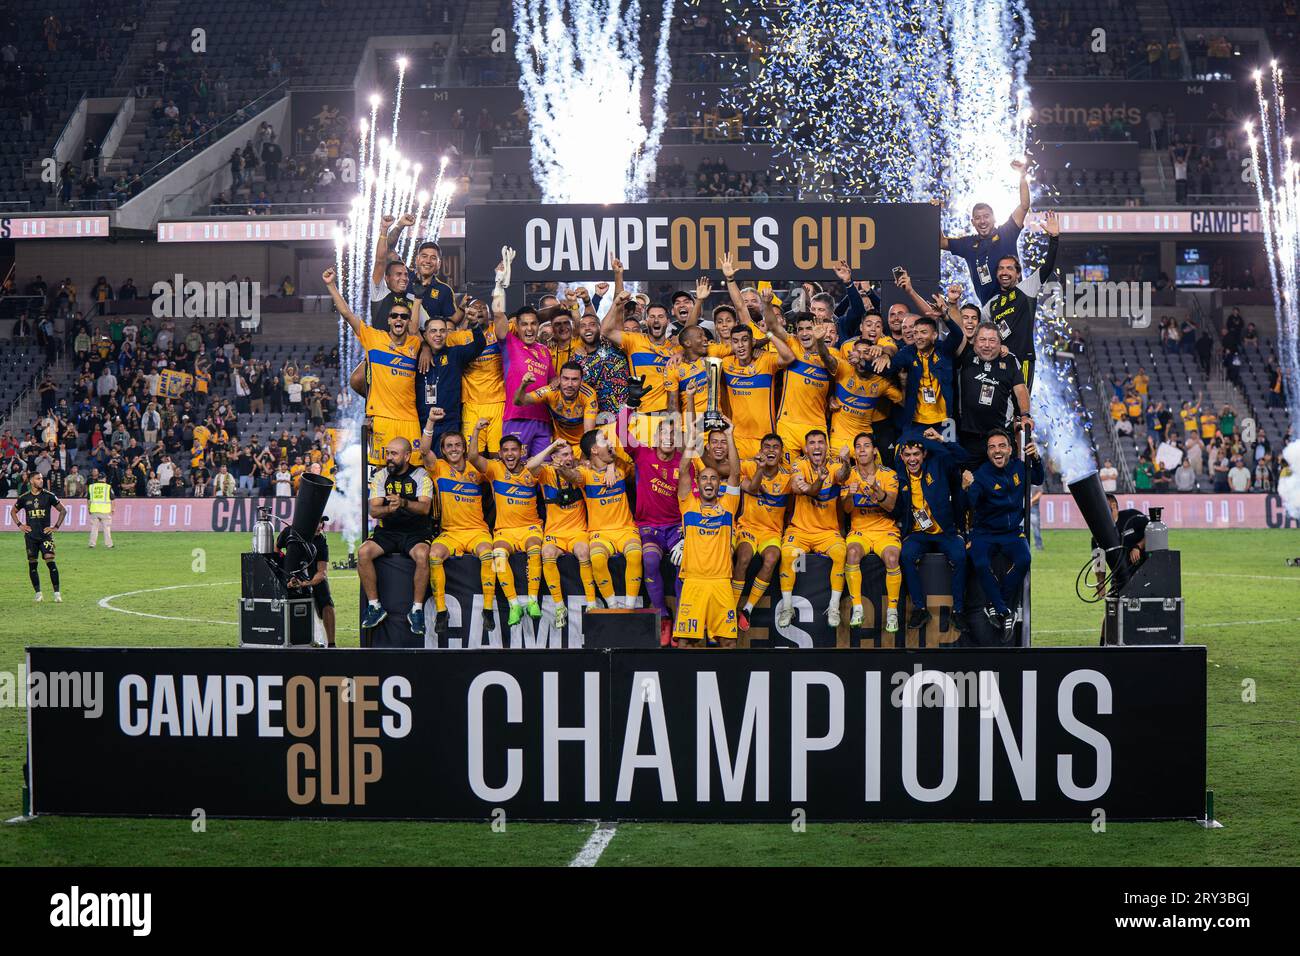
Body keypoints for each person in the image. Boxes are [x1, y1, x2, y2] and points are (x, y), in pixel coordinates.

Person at [323, 267, 423, 466]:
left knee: (415, 470)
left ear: (408, 321)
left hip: (410, 419)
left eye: (404, 317)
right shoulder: (374, 339)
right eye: (395, 316)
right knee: (382, 472)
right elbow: (347, 314)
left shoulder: (416, 344)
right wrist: (331, 285)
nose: (399, 320)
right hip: (382, 419)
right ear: (388, 319)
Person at [962, 430, 1044, 636]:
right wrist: (966, 488)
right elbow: (969, 504)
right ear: (988, 452)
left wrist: (1036, 458)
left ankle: (995, 603)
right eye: (992, 447)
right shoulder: (981, 475)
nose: (997, 451)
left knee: (1025, 559)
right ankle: (1004, 611)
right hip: (985, 532)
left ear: (1009, 449)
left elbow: (1038, 478)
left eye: (1001, 446)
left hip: (1011, 532)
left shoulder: (1019, 466)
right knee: (979, 562)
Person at [673, 421, 742, 648]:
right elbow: (683, 471)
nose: (709, 482)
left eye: (713, 478)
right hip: (693, 582)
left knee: (728, 642)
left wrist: (729, 435)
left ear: (717, 485)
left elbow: (735, 472)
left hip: (721, 582)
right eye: (704, 478)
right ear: (698, 483)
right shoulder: (689, 506)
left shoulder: (728, 506)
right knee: (685, 642)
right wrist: (692, 441)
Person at [467, 425, 544, 626]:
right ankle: (513, 604)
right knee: (498, 557)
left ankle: (533, 601)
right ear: (500, 454)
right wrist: (476, 431)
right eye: (506, 450)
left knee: (535, 550)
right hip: (504, 531)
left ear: (522, 452)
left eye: (514, 449)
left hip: (530, 528)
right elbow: (473, 457)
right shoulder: (495, 469)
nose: (510, 454)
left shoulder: (532, 468)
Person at [895, 429, 969, 635]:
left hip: (945, 531)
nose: (912, 459)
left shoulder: (938, 465)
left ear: (924, 454)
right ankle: (920, 608)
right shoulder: (899, 475)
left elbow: (963, 458)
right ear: (901, 456)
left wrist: (942, 440)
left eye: (916, 454)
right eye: (907, 455)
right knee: (906, 555)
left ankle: (959, 610)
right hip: (918, 534)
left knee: (960, 556)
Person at [777, 430, 851, 628]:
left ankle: (834, 606)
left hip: (827, 532)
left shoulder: (834, 465)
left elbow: (843, 476)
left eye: (820, 443)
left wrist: (846, 462)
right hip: (799, 531)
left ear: (826, 447)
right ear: (806, 448)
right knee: (787, 555)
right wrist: (819, 480)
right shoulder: (798, 464)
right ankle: (787, 607)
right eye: (812, 443)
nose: (817, 447)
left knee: (840, 553)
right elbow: (806, 489)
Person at [562, 429, 644, 608]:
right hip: (600, 533)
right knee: (597, 559)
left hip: (625, 529)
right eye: (603, 441)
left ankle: (629, 607)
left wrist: (611, 464)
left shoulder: (621, 466)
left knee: (636, 553)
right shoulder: (585, 473)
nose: (609, 443)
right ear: (594, 450)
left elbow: (635, 459)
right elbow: (571, 476)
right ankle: (612, 605)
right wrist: (561, 469)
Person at [359, 438, 433, 634]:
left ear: (407, 456)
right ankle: (375, 606)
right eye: (388, 453)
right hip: (388, 532)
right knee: (363, 552)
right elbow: (374, 511)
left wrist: (404, 503)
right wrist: (388, 508)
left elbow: (425, 508)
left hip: (415, 532)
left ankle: (416, 610)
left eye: (394, 454)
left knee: (423, 555)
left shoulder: (421, 475)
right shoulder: (381, 475)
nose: (389, 458)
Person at [427, 432, 497, 635]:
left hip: (477, 532)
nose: (454, 449)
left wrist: (475, 432)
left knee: (489, 555)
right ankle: (441, 611)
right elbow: (424, 450)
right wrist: (430, 424)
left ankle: (488, 609)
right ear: (443, 450)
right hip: (451, 533)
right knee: (434, 556)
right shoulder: (438, 467)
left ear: (464, 448)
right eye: (449, 445)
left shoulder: (476, 468)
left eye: (458, 445)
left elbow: (480, 460)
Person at [980, 209, 1061, 385]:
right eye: (1001, 268)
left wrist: (1054, 238)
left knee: (1020, 408)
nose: (1004, 272)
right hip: (997, 360)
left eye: (1010, 268)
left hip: (1022, 360)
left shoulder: (1027, 289)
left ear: (1018, 274)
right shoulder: (991, 305)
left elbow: (1047, 268)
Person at [941, 159, 1033, 303]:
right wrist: (933, 213)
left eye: (986, 216)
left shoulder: (1006, 233)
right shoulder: (967, 244)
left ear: (994, 218)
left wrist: (1022, 175)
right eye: (977, 218)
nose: (982, 221)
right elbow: (941, 242)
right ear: (973, 222)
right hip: (989, 311)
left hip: (1015, 304)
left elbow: (1024, 205)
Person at [529, 438, 597, 628]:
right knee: (547, 553)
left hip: (577, 531)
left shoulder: (581, 471)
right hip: (554, 533)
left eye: (570, 453)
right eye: (564, 454)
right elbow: (531, 466)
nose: (569, 457)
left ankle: (591, 604)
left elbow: (575, 476)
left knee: (584, 552)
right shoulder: (546, 473)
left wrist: (564, 467)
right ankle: (559, 606)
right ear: (555, 457)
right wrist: (551, 447)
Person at [839, 431, 903, 632]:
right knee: (852, 553)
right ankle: (857, 607)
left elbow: (892, 506)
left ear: (875, 451)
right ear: (855, 453)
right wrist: (849, 496)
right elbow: (847, 510)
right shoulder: (848, 476)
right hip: (860, 531)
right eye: (858, 447)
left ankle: (892, 612)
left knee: (892, 559)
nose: (862, 449)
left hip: (885, 531)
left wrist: (878, 492)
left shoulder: (888, 474)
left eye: (866, 445)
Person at [733, 433, 791, 631]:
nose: (771, 450)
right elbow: (751, 486)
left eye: (776, 447)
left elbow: (797, 500)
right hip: (747, 527)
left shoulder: (788, 477)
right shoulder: (749, 466)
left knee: (773, 557)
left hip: (771, 532)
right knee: (744, 557)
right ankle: (731, 608)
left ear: (782, 452)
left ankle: (747, 609)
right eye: (767, 446)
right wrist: (759, 469)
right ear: (760, 450)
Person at [956, 322, 1033, 460]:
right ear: (975, 341)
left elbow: (1021, 389)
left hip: (1000, 435)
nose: (987, 345)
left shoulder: (1009, 360)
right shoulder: (966, 354)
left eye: (992, 340)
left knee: (1004, 479)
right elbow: (957, 329)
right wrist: (953, 305)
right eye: (982, 340)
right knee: (970, 479)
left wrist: (1026, 415)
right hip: (969, 436)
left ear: (1000, 343)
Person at [722, 315, 794, 459]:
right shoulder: (725, 363)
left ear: (753, 341)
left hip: (765, 439)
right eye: (735, 342)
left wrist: (768, 334)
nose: (740, 345)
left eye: (744, 340)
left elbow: (789, 357)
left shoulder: (766, 360)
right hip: (738, 437)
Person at [414, 314, 485, 455]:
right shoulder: (415, 356)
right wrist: (424, 347)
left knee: (449, 467)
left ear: (447, 333)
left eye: (442, 331)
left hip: (449, 423)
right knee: (425, 466)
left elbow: (479, 345)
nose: (438, 335)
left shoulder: (455, 354)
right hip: (422, 423)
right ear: (425, 335)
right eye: (433, 331)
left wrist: (475, 325)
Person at [513, 362, 597, 456]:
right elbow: (519, 401)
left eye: (574, 379)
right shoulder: (550, 392)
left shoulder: (588, 395)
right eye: (565, 378)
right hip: (560, 443)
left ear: (581, 381)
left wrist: (583, 461)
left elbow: (588, 435)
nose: (569, 384)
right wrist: (523, 385)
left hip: (581, 444)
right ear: (559, 379)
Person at [280, 516, 336, 648]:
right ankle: (286, 639)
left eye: (322, 522)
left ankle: (332, 644)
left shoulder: (321, 541)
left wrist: (308, 583)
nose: (320, 525)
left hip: (313, 574)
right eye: (318, 521)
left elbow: (322, 572)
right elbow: (277, 548)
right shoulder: (289, 532)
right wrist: (284, 570)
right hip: (293, 572)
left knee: (327, 602)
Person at [13, 472, 66, 602]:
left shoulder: (49, 496)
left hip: (46, 536)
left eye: (42, 478)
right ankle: (38, 593)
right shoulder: (24, 498)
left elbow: (63, 510)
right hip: (30, 537)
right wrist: (20, 525)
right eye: (38, 478)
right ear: (31, 481)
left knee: (50, 561)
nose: (41, 480)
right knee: (32, 564)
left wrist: (55, 527)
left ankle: (57, 594)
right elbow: (13, 511)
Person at [87, 470, 114, 548]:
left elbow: (88, 499)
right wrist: (113, 509)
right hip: (105, 511)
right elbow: (113, 499)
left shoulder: (91, 487)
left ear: (98, 478)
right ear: (104, 478)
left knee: (94, 528)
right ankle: (109, 544)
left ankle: (92, 544)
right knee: (107, 529)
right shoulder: (107, 487)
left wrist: (89, 508)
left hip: (94, 510)